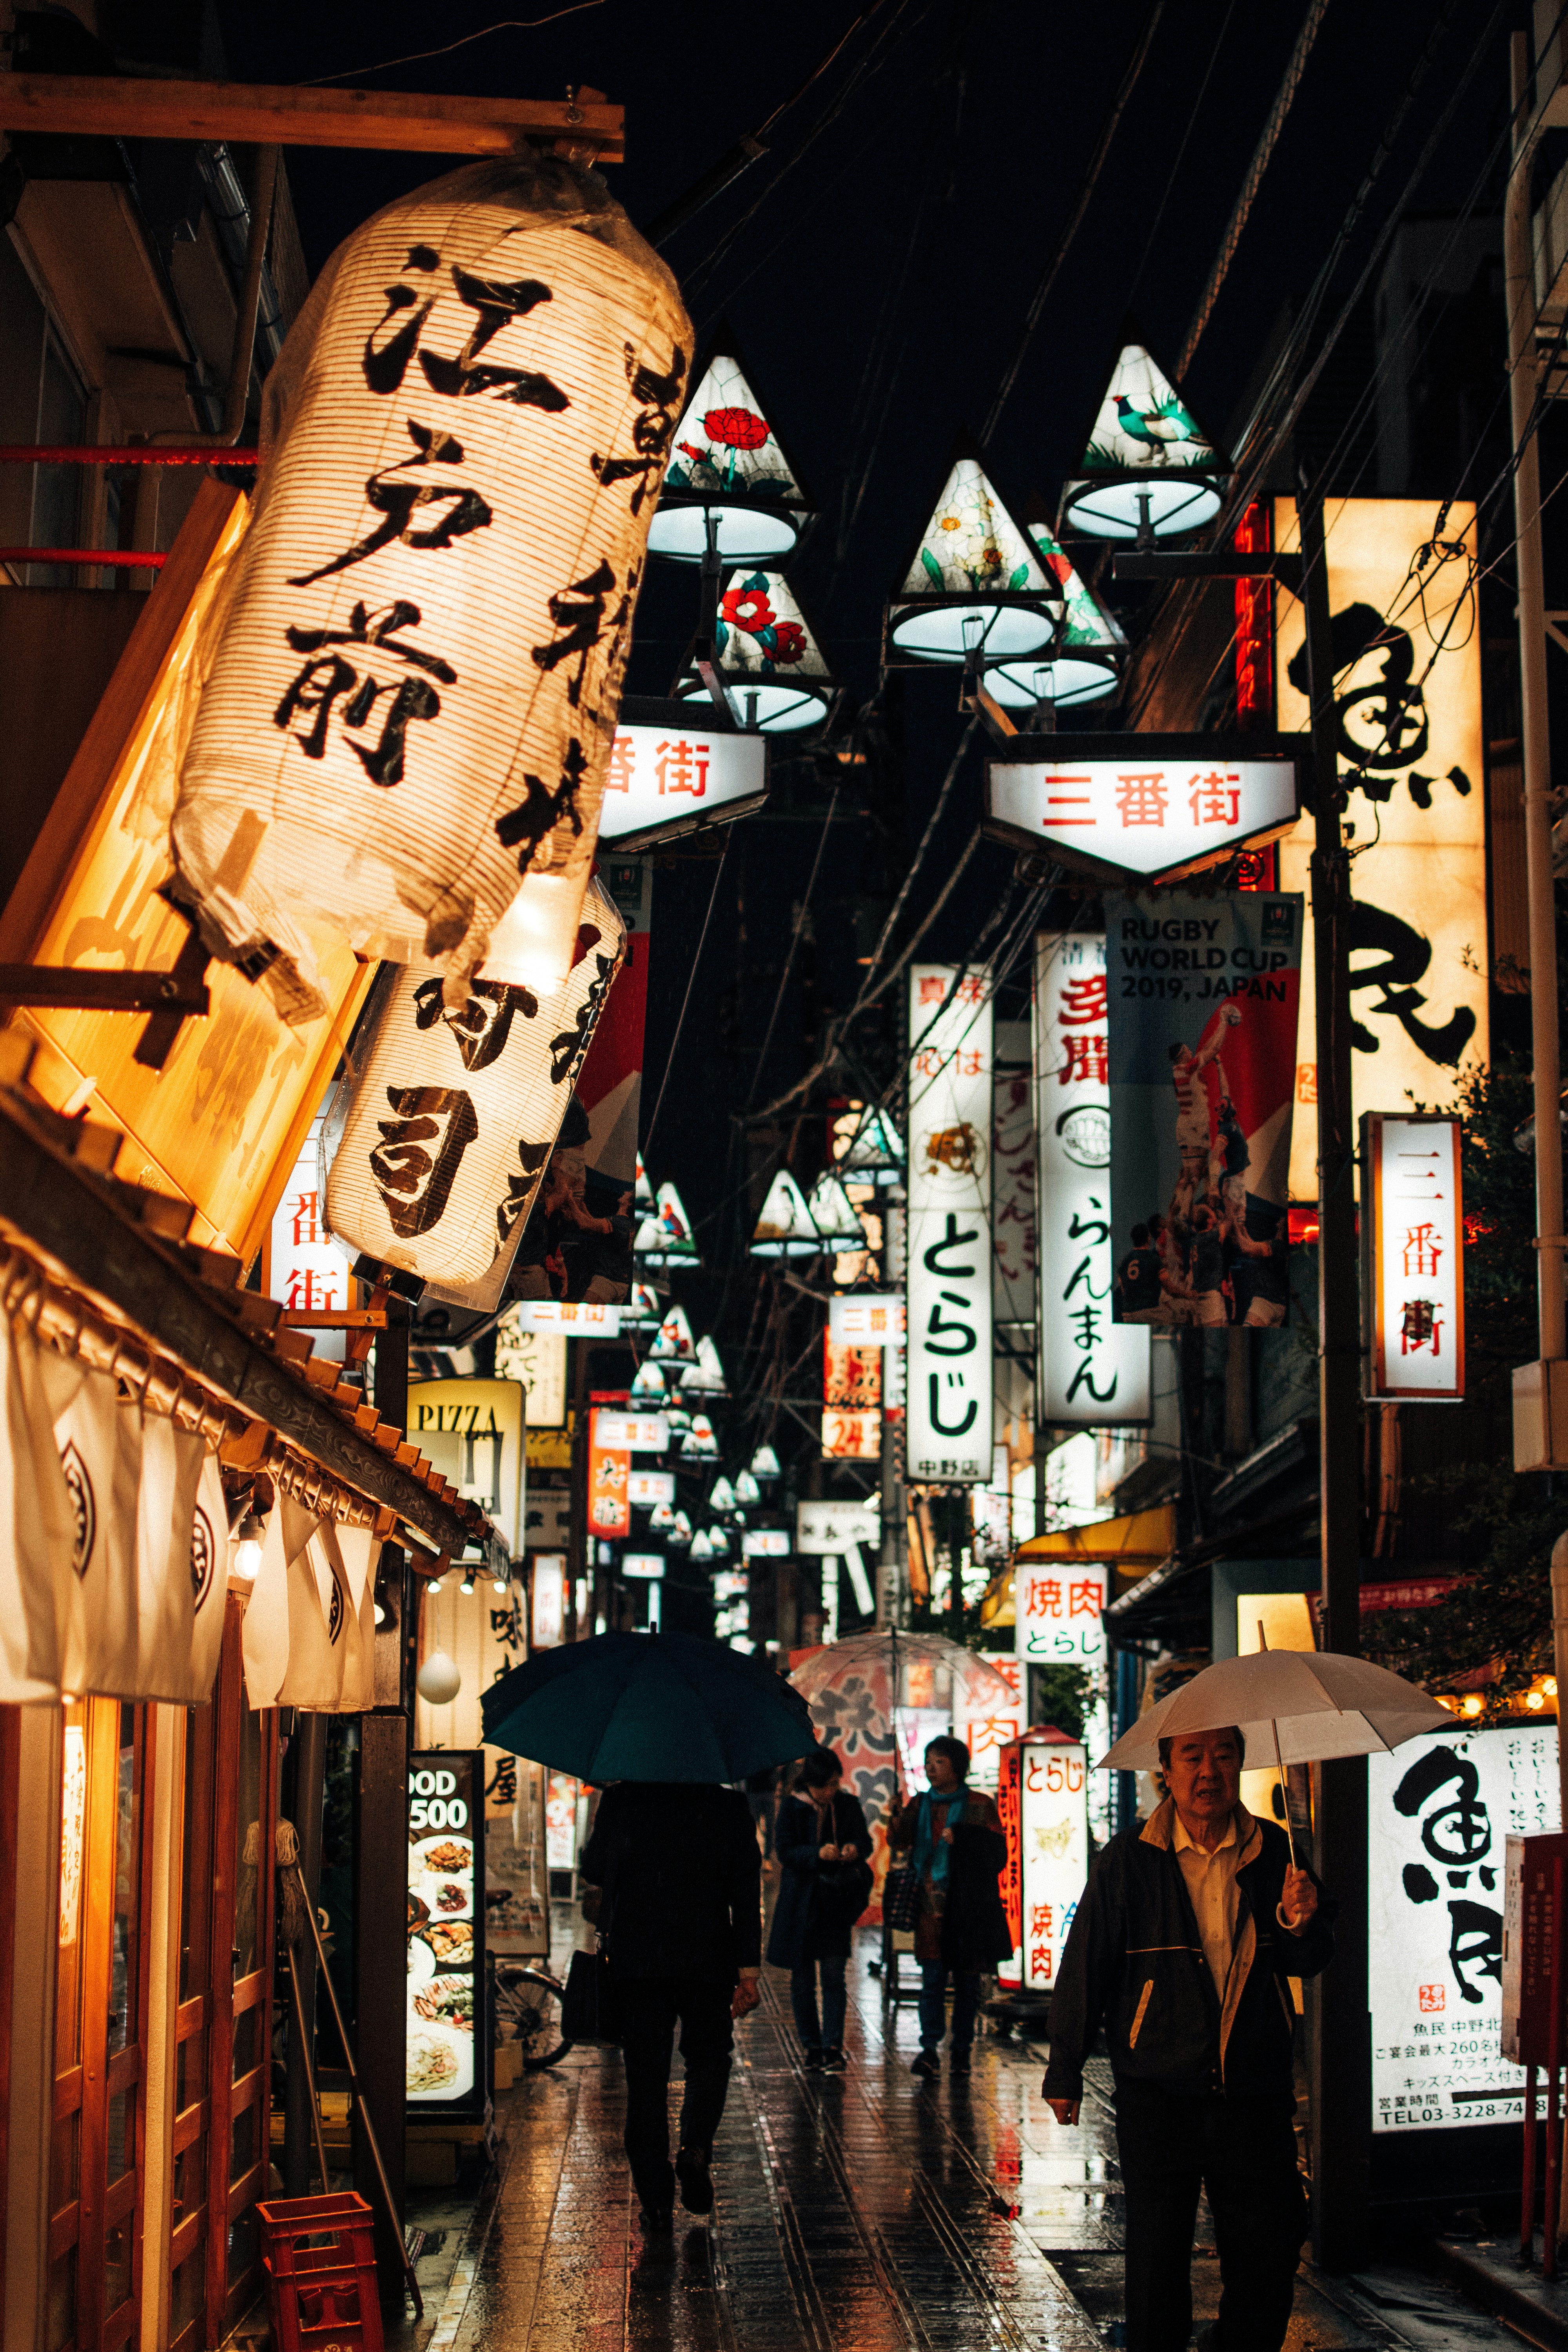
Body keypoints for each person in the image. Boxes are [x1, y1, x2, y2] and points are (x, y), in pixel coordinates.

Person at [1043, 1726, 1336, 2352]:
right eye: (1193, 1757)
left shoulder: (1275, 1852)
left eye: (1224, 1756)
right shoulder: (1129, 1858)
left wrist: (1300, 1920)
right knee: (1156, 2261)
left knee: (1268, 2247)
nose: (1210, 1772)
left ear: (1241, 1764)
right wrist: (1064, 2068)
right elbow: (1087, 1960)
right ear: (1167, 1770)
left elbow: (1307, 1961)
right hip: (1159, 2091)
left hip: (1253, 2089)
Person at [580, 1779, 762, 2236]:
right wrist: (748, 1971)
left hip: (639, 1959)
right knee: (708, 2059)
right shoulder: (729, 1804)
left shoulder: (623, 1798)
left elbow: (595, 1868)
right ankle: (695, 2148)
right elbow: (745, 1891)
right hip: (707, 1957)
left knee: (645, 2078)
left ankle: (656, 2202)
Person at [888, 1735, 1010, 2078]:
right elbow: (901, 1842)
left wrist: (964, 1839)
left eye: (939, 1761)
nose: (931, 1768)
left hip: (966, 1909)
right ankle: (929, 2049)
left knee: (967, 1984)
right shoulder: (919, 1804)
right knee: (932, 1981)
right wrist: (896, 1817)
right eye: (928, 1761)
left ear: (958, 1766)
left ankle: (961, 2050)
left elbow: (997, 1855)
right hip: (929, 1908)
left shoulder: (979, 1804)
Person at [766, 1748, 873, 2072]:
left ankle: (833, 2046)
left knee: (834, 1976)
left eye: (835, 1784)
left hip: (835, 1904)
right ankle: (812, 2045)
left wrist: (854, 1848)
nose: (832, 1791)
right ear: (811, 1784)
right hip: (801, 1906)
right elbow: (784, 1850)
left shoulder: (847, 1805)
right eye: (826, 1785)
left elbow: (864, 1842)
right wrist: (816, 1853)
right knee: (802, 1981)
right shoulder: (793, 1808)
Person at [1117, 1223, 1169, 1325]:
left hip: (1128, 1314)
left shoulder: (1124, 1261)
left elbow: (1123, 1290)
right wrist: (1187, 1295)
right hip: (1149, 1312)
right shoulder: (1153, 1259)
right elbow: (1169, 1287)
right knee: (1175, 1319)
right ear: (1148, 1238)